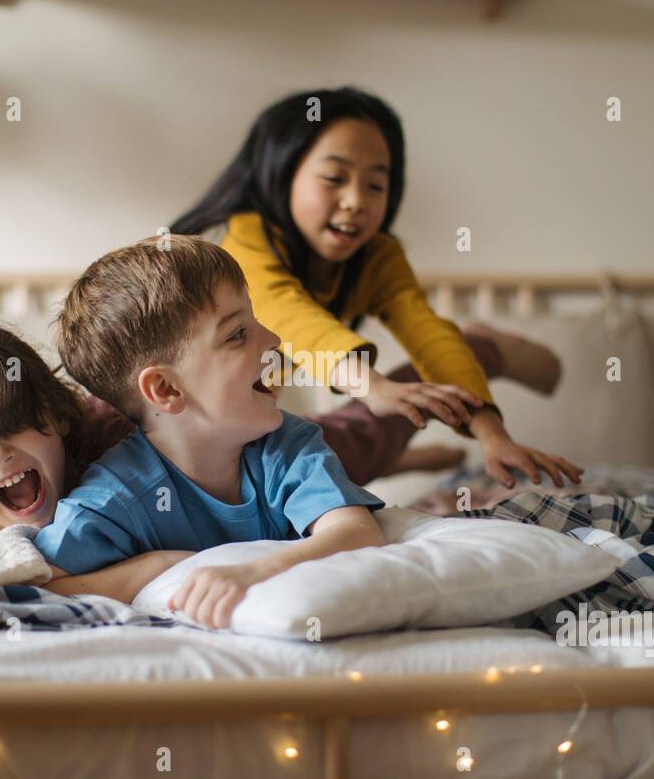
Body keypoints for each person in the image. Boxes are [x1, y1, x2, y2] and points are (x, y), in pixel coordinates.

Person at [171, 85, 582, 489]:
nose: (356, 200)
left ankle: (480, 348)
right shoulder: (240, 238)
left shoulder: (378, 258)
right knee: (299, 461)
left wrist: (494, 436)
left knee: (302, 465)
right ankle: (392, 459)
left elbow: (427, 334)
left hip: (234, 447)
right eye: (334, 177)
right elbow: (284, 310)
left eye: (375, 185)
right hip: (179, 432)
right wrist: (372, 387)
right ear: (281, 173)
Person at [34, 235, 390, 629]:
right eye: (237, 334)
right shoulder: (114, 499)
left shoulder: (287, 445)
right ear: (167, 390)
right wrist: (161, 565)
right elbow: (43, 590)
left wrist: (252, 571)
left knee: (369, 430)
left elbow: (358, 533)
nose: (272, 340)